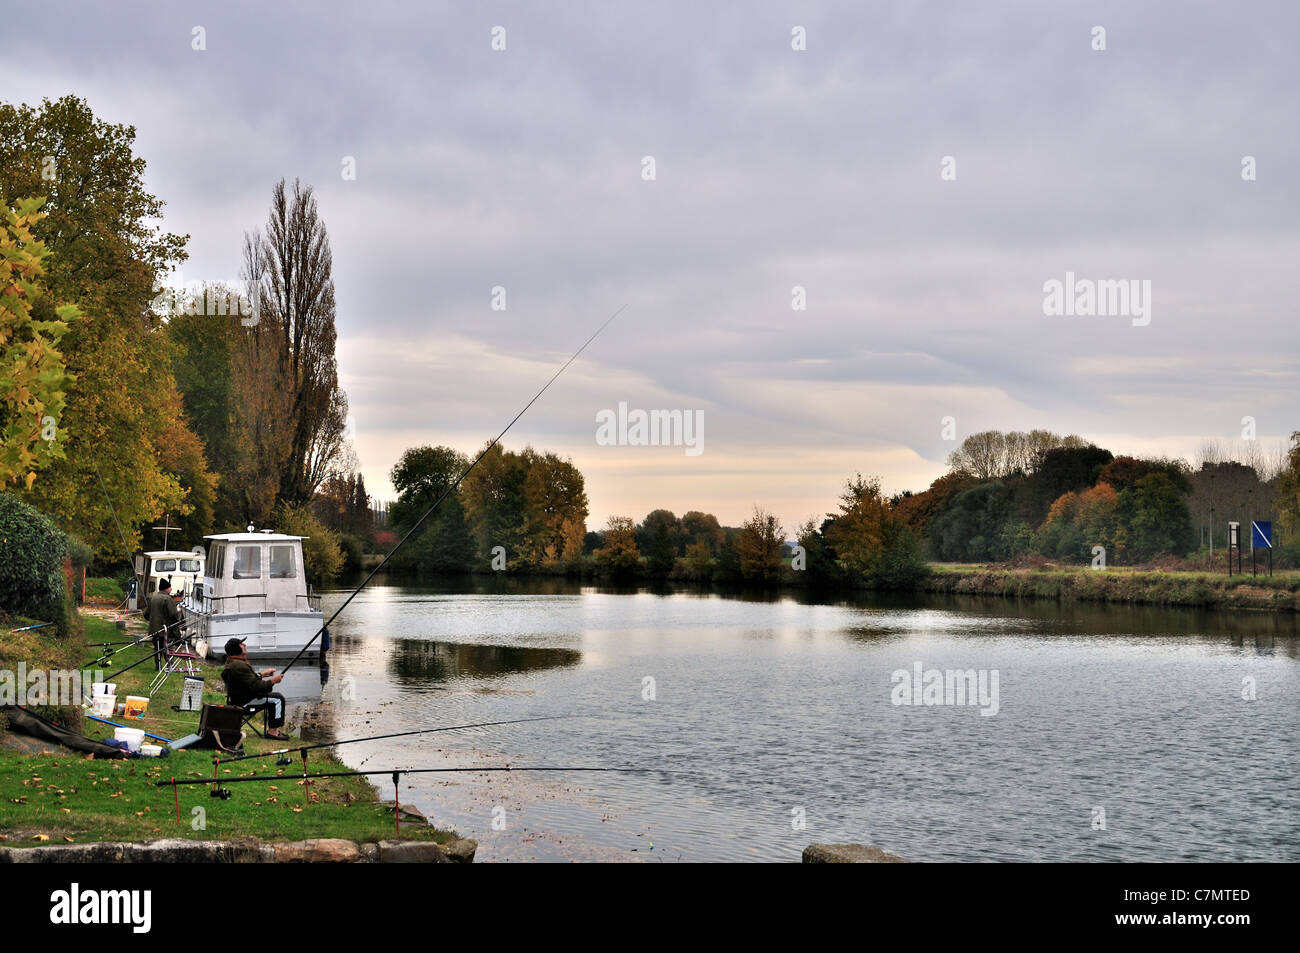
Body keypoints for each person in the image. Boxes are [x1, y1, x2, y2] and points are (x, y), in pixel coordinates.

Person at [220, 638, 290, 740]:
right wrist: (273, 681)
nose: (244, 645)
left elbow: (248, 680)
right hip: (244, 703)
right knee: (278, 699)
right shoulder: (239, 665)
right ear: (236, 649)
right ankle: (273, 732)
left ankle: (273, 730)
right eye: (241, 644)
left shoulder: (233, 663)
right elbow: (257, 686)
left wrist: (263, 674)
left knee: (275, 697)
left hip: (239, 700)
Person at [143, 578, 181, 671]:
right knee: (167, 648)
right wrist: (176, 626)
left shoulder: (153, 598)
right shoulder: (167, 599)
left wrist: (153, 621)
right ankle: (170, 666)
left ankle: (158, 667)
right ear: (165, 589)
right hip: (165, 630)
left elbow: (146, 614)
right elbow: (173, 614)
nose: (171, 589)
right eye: (169, 587)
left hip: (154, 630)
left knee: (157, 649)